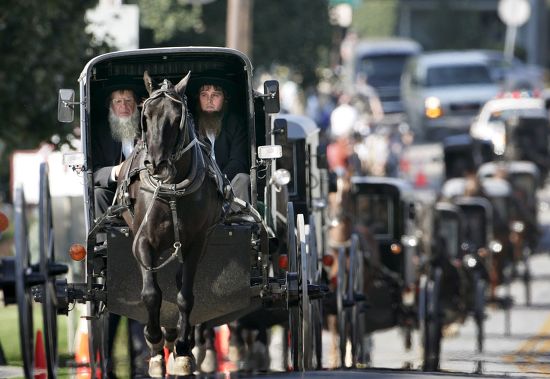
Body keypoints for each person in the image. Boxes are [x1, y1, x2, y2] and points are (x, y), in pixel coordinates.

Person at [91, 84, 148, 378]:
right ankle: (108, 250)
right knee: (99, 190)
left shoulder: (148, 129)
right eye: (118, 101)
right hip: (113, 203)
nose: (123, 106)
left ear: (137, 105)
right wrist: (118, 171)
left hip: (147, 204)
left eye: (128, 101)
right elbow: (93, 172)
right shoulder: (101, 133)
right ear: (110, 106)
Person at [193, 78, 250, 203]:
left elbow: (238, 162)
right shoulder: (190, 125)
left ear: (224, 99)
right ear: (199, 99)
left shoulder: (235, 124)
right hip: (197, 186)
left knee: (243, 178)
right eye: (204, 95)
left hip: (228, 186)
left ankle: (237, 220)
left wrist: (219, 181)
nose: (209, 100)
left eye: (215, 95)